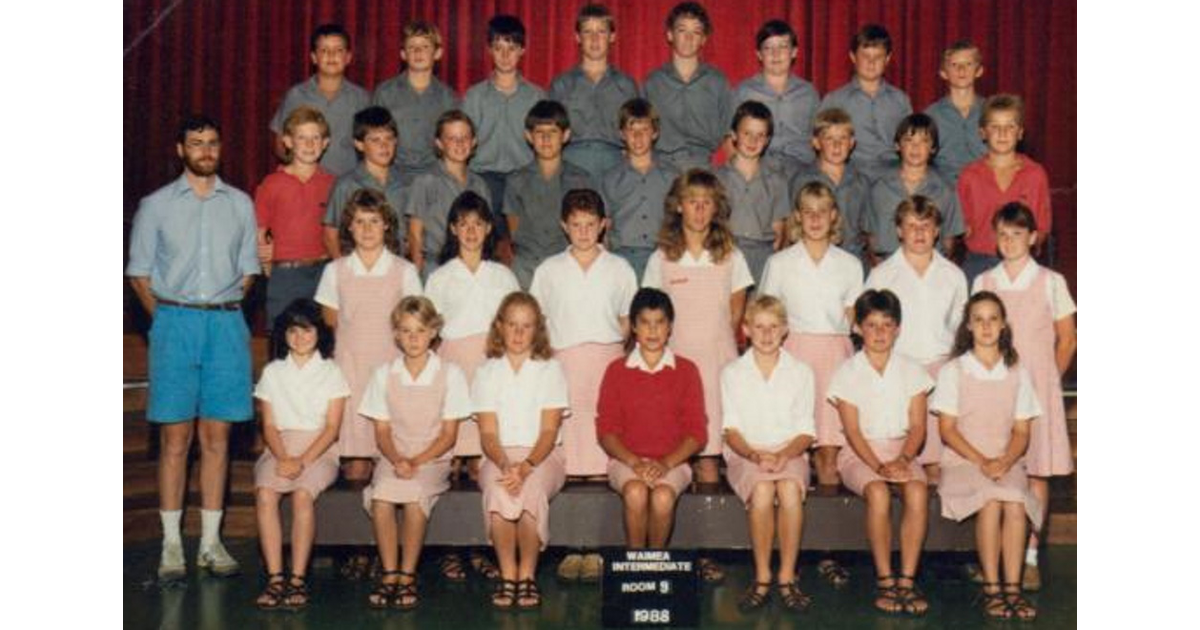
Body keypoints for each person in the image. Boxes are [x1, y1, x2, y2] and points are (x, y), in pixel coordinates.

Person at [126, 114, 259, 580]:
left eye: (212, 143)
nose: (205, 150)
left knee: (217, 438)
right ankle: (170, 546)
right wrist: (163, 319)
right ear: (180, 150)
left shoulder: (240, 204)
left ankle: (210, 542)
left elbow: (248, 271)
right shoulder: (156, 205)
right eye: (196, 143)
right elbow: (138, 272)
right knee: (175, 439)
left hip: (224, 324)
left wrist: (220, 307)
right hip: (174, 323)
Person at [530, 189, 638, 581]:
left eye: (591, 225)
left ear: (604, 225)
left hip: (606, 363)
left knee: (601, 461)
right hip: (563, 365)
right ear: (563, 225)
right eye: (575, 225)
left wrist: (610, 350)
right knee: (570, 463)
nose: (583, 231)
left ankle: (597, 546)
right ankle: (570, 545)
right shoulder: (548, 270)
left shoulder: (620, 268)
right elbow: (538, 321)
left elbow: (628, 322)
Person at [972, 202, 1075, 591]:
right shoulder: (984, 282)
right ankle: (994, 557)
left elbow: (1067, 339)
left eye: (1018, 234)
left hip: (1037, 394)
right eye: (1002, 234)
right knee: (996, 469)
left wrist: (1045, 382)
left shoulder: (1051, 281)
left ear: (1033, 238)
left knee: (1035, 472)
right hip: (994, 394)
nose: (1010, 241)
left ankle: (1029, 556)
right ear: (994, 239)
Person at [424, 192, 520, 582]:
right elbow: (429, 332)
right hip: (453, 369)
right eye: (463, 224)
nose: (470, 231)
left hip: (490, 370)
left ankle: (483, 548)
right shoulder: (439, 277)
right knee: (453, 465)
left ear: (488, 229)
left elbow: (515, 330)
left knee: (484, 462)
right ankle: (451, 549)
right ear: (452, 228)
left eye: (478, 224)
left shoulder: (504, 276)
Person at [932, 292, 1043, 620]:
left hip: (1005, 459)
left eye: (993, 318)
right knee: (992, 500)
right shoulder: (955, 370)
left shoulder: (1017, 371)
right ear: (968, 326)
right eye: (978, 319)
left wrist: (1005, 462)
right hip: (964, 461)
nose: (986, 326)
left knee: (1015, 500)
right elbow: (948, 430)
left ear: (1003, 325)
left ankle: (1014, 588)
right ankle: (992, 589)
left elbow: (1022, 432)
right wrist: (984, 462)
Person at [642, 169, 752, 490]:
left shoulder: (732, 257)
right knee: (671, 456)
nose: (700, 210)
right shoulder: (661, 258)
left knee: (708, 458)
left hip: (717, 364)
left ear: (716, 208)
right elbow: (652, 314)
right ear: (679, 206)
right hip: (675, 366)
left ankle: (710, 535)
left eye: (707, 202)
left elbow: (735, 315)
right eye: (692, 202)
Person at [360, 297, 472, 610]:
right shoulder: (384, 373)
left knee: (413, 495)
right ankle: (389, 572)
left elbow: (448, 435)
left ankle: (408, 575)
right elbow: (381, 432)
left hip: (432, 459)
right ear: (396, 333)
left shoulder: (450, 373)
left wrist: (417, 461)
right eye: (406, 331)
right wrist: (397, 459)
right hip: (392, 457)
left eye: (420, 331)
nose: (413, 338)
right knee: (381, 496)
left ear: (433, 332)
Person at [828, 289, 934, 616]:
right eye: (871, 325)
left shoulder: (912, 370)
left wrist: (903, 460)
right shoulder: (847, 372)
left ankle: (907, 579)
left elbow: (918, 427)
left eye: (887, 325)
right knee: (877, 492)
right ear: (857, 328)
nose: (879, 333)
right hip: (860, 454)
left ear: (898, 329)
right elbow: (853, 431)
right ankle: (885, 578)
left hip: (900, 451)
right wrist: (879, 466)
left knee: (917, 489)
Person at [314, 189, 422, 486]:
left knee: (394, 462)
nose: (367, 229)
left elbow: (415, 325)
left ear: (387, 224)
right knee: (357, 466)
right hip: (352, 374)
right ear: (349, 226)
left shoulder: (405, 271)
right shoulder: (335, 271)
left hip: (392, 373)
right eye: (359, 222)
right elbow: (331, 322)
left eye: (374, 221)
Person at [761, 182, 862, 488]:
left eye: (823, 211)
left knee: (828, 453)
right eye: (808, 212)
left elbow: (854, 319)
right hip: (792, 355)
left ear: (834, 216)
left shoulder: (850, 265)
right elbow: (767, 315)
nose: (815, 219)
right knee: (790, 450)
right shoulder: (779, 263)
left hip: (835, 358)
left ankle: (831, 534)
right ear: (797, 217)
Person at [472, 292, 569, 610]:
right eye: (511, 325)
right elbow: (487, 432)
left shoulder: (550, 369)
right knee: (499, 492)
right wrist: (504, 464)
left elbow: (549, 431)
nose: (517, 334)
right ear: (499, 326)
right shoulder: (486, 371)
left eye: (526, 326)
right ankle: (508, 574)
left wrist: (525, 467)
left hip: (542, 455)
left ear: (537, 329)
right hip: (498, 456)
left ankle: (527, 575)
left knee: (529, 489)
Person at [720, 296, 816, 612]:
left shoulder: (801, 372)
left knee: (789, 490)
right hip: (746, 454)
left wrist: (785, 455)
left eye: (773, 327)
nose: (766, 334)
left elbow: (805, 431)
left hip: (790, 453)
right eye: (758, 327)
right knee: (762, 491)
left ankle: (787, 577)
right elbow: (731, 430)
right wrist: (754, 455)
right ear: (746, 329)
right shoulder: (732, 372)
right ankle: (762, 576)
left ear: (785, 330)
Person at [252, 299, 348, 609]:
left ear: (319, 333)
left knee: (302, 495)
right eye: (292, 331)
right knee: (266, 493)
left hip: (319, 450)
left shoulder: (332, 372)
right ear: (284, 335)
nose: (300, 338)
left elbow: (332, 428)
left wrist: (302, 461)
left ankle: (297, 579)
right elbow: (268, 425)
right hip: (279, 447)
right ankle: (275, 578)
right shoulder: (273, 372)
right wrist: (281, 457)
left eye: (307, 330)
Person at [865, 195, 968, 482]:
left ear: (937, 230)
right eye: (911, 226)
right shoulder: (881, 275)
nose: (919, 233)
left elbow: (961, 332)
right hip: (898, 372)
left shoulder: (954, 276)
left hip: (940, 373)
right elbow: (870, 331)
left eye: (926, 225)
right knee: (899, 459)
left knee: (936, 461)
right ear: (899, 231)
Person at [597, 288, 706, 550]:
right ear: (633, 327)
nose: (653, 331)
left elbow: (697, 434)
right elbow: (606, 431)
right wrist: (635, 463)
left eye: (660, 323)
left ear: (670, 327)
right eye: (645, 323)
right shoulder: (617, 371)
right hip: (627, 460)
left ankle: (655, 562)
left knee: (662, 497)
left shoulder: (687, 370)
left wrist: (665, 464)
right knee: (635, 492)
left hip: (673, 461)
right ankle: (636, 563)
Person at [463, 14, 545, 247]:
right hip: (484, 179)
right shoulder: (474, 96)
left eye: (512, 48)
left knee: (524, 246)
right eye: (498, 48)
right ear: (489, 50)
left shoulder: (536, 96)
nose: (506, 55)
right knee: (486, 247)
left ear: (523, 50)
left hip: (524, 180)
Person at [957, 94, 1053, 283]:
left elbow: (1042, 229)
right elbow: (961, 230)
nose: (1002, 133)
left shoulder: (1035, 174)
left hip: (1022, 261)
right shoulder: (969, 175)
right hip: (980, 261)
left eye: (1010, 127)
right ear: (983, 132)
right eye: (995, 127)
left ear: (1020, 133)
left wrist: (1019, 255)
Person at [255, 106, 335, 329]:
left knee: (322, 340)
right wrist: (269, 268)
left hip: (323, 273)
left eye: (315, 138)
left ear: (325, 142)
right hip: (285, 275)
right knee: (283, 339)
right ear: (288, 142)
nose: (309, 145)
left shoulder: (332, 184)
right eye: (302, 138)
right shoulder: (271, 184)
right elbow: (260, 232)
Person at [504, 100, 594, 288]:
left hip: (567, 264)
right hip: (527, 266)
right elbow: (514, 229)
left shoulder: (581, 180)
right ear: (529, 136)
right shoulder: (516, 181)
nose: (546, 139)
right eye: (539, 133)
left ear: (566, 135)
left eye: (552, 132)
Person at [549, 3, 639, 180]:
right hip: (571, 161)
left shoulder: (626, 85)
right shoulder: (562, 84)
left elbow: (636, 130)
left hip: (615, 163)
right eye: (588, 32)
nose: (595, 39)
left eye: (601, 32)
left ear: (612, 36)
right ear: (577, 37)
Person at [269, 23, 370, 176]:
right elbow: (280, 145)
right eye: (324, 50)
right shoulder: (296, 95)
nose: (331, 55)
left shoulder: (362, 98)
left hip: (347, 187)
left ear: (348, 57)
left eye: (338, 50)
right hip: (305, 183)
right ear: (314, 57)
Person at [642, 1, 732, 172]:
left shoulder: (717, 81)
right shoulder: (653, 82)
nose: (688, 38)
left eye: (696, 32)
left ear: (704, 39)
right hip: (661, 167)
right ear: (670, 34)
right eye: (682, 30)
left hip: (704, 166)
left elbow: (728, 134)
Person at [817, 24, 912, 182]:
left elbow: (908, 144)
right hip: (850, 174)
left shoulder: (900, 100)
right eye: (865, 56)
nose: (871, 62)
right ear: (853, 57)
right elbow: (821, 144)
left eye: (878, 57)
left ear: (887, 59)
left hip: (892, 175)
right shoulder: (835, 100)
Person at [865, 113, 964, 264]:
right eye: (908, 140)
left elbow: (949, 242)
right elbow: (871, 238)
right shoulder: (879, 188)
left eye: (924, 141)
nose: (915, 147)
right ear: (897, 145)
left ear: (933, 148)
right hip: (888, 267)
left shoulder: (945, 190)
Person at [405, 110, 492, 278]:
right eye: (451, 138)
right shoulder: (425, 181)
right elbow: (415, 234)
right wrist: (416, 273)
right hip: (436, 266)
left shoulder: (480, 185)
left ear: (474, 141)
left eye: (465, 137)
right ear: (439, 143)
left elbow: (487, 231)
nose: (459, 143)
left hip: (472, 265)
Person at [599, 98, 680, 279]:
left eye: (644, 130)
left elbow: (679, 221)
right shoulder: (610, 178)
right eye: (631, 130)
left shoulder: (672, 176)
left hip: (662, 256)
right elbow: (604, 226)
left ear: (655, 133)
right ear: (621, 134)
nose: (638, 137)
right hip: (622, 258)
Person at [372, 20, 458, 179]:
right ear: (403, 54)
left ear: (438, 53)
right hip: (392, 174)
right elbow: (372, 138)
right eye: (412, 47)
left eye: (425, 47)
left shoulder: (448, 97)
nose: (418, 52)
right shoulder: (385, 93)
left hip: (435, 176)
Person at [733, 19, 821, 174]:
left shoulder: (808, 93)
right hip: (759, 170)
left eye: (783, 46)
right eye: (768, 48)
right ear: (759, 54)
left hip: (802, 170)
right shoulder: (744, 91)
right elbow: (729, 139)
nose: (776, 54)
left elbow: (821, 138)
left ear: (794, 52)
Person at [717, 100, 791, 283]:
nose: (753, 141)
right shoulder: (717, 178)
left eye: (760, 135)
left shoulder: (777, 181)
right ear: (734, 135)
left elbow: (779, 232)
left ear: (767, 140)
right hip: (726, 253)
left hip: (762, 257)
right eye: (747, 133)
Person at [321, 106, 410, 259]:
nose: (384, 146)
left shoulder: (406, 182)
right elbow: (330, 235)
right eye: (375, 140)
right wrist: (343, 271)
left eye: (389, 138)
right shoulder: (347, 184)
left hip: (396, 269)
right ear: (359, 144)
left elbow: (410, 233)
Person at [790, 108, 872, 265]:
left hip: (852, 259)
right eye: (829, 138)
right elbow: (793, 226)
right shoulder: (801, 180)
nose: (837, 145)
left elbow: (867, 232)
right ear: (816, 142)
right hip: (812, 258)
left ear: (852, 143)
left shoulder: (861, 182)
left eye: (843, 138)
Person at [924, 40, 987, 185]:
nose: (961, 69)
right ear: (943, 73)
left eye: (968, 64)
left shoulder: (992, 112)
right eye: (954, 65)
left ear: (979, 71)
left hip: (985, 189)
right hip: (945, 191)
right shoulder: (931, 115)